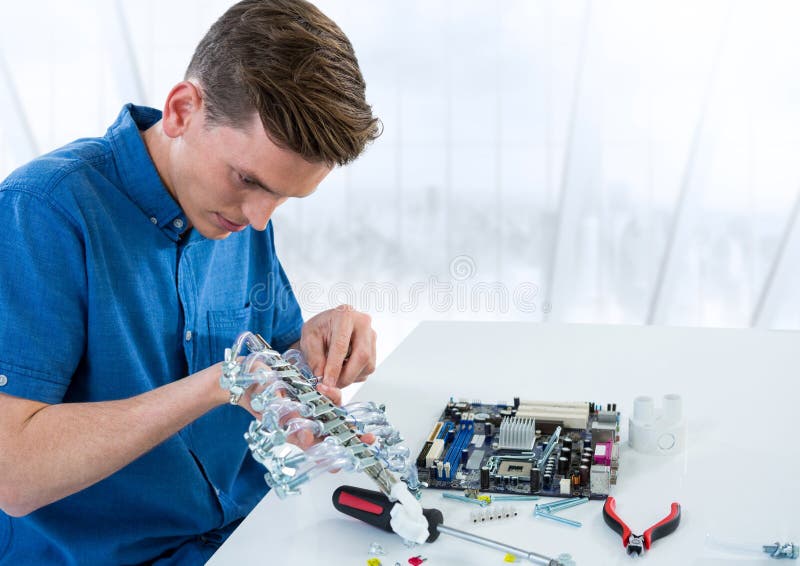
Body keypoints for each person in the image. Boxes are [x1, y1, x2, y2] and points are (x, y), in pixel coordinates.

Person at [0, 0, 381, 563]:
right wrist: (218, 383)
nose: (258, 218)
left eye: (282, 196)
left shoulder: (236, 212)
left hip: (250, 535)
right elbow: (14, 472)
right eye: (249, 180)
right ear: (181, 110)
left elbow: (270, 362)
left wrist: (311, 350)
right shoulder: (44, 213)